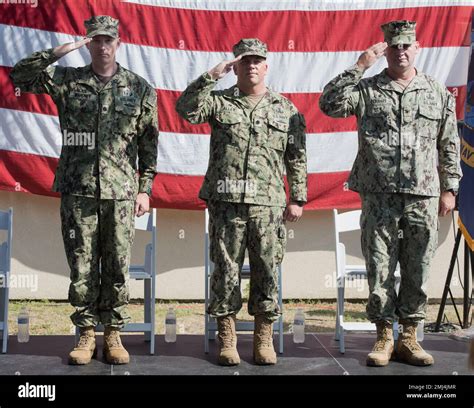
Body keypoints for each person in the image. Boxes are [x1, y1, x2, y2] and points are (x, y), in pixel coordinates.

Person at [10, 15, 159, 365]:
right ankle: (86, 334)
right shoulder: (68, 80)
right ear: (88, 43)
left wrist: (145, 188)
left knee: (118, 265)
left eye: (108, 40)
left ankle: (113, 334)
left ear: (118, 43)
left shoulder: (139, 88)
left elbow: (149, 143)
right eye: (95, 40)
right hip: (78, 189)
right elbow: (20, 74)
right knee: (81, 264)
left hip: (121, 191)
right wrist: (62, 50)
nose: (102, 46)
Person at [319, 20, 461, 367]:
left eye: (406, 46)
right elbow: (328, 104)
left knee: (418, 268)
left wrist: (450, 187)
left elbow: (449, 143)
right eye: (394, 46)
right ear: (385, 49)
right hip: (379, 195)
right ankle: (384, 336)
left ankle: (409, 338)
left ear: (417, 48)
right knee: (380, 268)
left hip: (422, 194)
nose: (400, 52)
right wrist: (359, 66)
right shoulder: (367, 89)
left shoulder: (436, 92)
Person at [176, 38, 307, 365]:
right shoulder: (219, 102)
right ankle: (227, 339)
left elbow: (297, 157)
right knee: (225, 270)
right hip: (226, 202)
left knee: (266, 269)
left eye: (257, 60)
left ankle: (263, 339)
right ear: (236, 65)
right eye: (244, 60)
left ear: (266, 66)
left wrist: (298, 198)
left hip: (267, 204)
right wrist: (212, 75)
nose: (251, 65)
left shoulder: (285, 108)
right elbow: (185, 109)